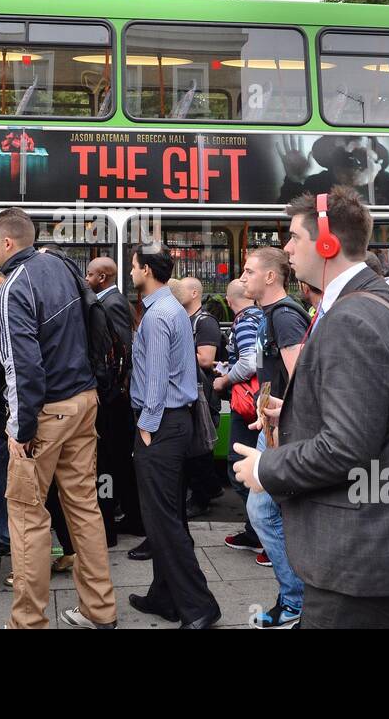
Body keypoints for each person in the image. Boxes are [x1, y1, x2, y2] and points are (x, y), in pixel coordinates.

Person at [233, 188, 389, 629]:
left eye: (293, 237)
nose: (285, 249)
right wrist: (296, 411)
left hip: (364, 558)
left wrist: (266, 469)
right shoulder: (374, 300)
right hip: (384, 546)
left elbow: (346, 448)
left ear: (327, 243)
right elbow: (377, 409)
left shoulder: (350, 319)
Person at [0, 209, 116, 629]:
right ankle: (101, 610)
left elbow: (21, 365)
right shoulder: (62, 266)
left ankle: (28, 621)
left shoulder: (12, 287)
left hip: (44, 412)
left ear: (8, 243)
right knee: (84, 508)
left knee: (26, 515)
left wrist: (20, 429)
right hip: (84, 400)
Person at [128, 241, 220, 628]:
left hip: (161, 424)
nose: (131, 272)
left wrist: (147, 427)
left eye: (134, 266)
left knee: (163, 521)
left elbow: (156, 380)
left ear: (147, 270)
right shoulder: (172, 309)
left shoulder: (156, 316)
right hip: (174, 422)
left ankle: (199, 607)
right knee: (169, 516)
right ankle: (163, 596)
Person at [237, 245, 309, 625]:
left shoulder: (283, 317)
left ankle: (296, 600)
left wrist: (281, 421)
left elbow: (301, 380)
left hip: (282, 430)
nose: (243, 276)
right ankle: (297, 595)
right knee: (267, 511)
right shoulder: (270, 315)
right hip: (272, 425)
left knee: (262, 510)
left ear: (270, 277)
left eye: (249, 271)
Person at [84, 256, 140, 541]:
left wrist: (108, 389)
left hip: (113, 400)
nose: (86, 278)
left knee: (111, 460)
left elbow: (119, 353)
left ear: (102, 277)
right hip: (114, 396)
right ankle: (127, 516)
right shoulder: (110, 301)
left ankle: (117, 522)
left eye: (90, 274)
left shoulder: (111, 303)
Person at [212, 278, 263, 553]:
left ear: (230, 302)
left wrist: (225, 380)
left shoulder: (244, 322)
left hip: (245, 406)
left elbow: (249, 363)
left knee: (240, 469)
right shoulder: (259, 317)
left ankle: (262, 532)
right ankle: (255, 531)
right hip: (255, 401)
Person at [171, 276, 225, 519]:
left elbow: (205, 358)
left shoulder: (205, 322)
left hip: (204, 394)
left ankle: (202, 498)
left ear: (194, 293)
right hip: (190, 391)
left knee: (200, 447)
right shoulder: (185, 320)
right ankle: (210, 488)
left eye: (181, 288)